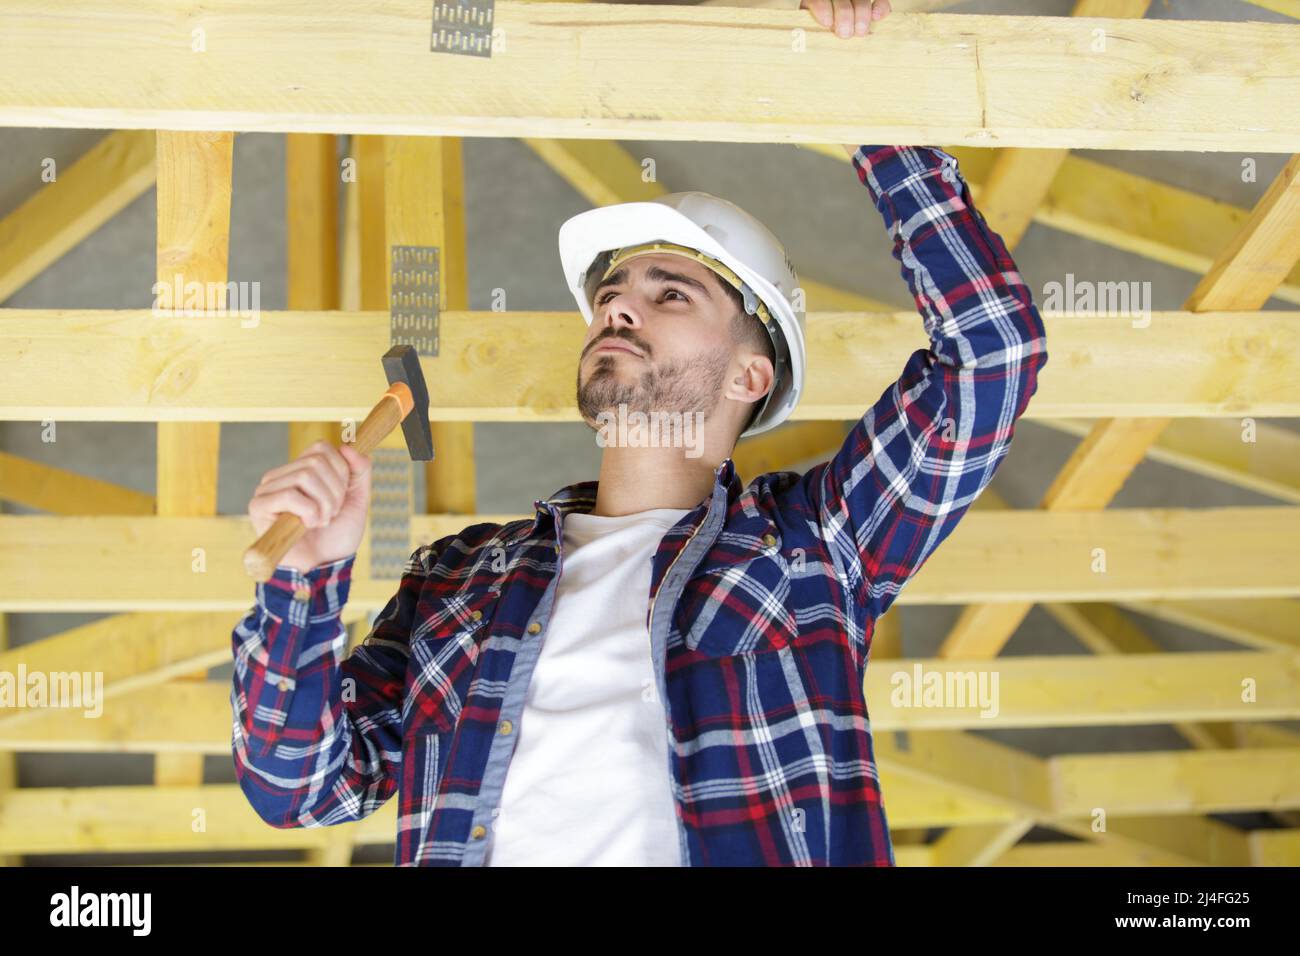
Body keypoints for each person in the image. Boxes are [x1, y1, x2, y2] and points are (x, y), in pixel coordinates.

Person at [232, 0, 1048, 865]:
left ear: (749, 376)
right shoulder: (461, 577)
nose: (617, 303)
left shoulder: (815, 550)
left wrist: (871, 113)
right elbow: (301, 790)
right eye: (614, 291)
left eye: (671, 293)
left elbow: (992, 352)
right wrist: (303, 583)